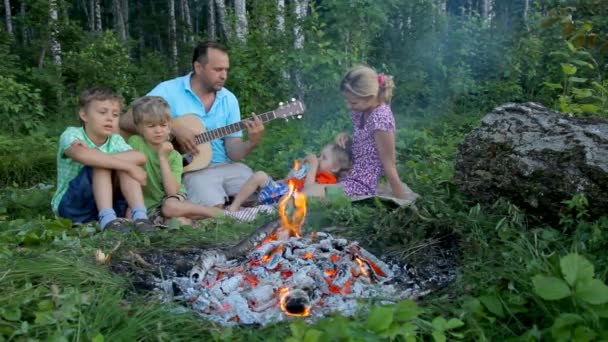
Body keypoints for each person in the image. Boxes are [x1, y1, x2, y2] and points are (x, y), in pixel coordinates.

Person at [120, 41, 264, 208]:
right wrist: (174, 126)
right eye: (217, 69)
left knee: (258, 190)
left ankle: (230, 203)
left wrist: (252, 142)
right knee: (212, 203)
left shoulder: (229, 99)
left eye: (226, 70)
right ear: (198, 67)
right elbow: (126, 119)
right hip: (190, 169)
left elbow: (234, 152)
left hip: (225, 166)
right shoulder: (168, 90)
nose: (224, 75)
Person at [304, 65, 418, 201]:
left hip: (360, 185)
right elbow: (367, 146)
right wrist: (347, 138)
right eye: (347, 101)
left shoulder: (381, 120)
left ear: (370, 97)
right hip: (349, 174)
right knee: (302, 175)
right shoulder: (361, 111)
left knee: (308, 192)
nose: (348, 106)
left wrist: (402, 199)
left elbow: (389, 163)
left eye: (353, 102)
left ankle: (315, 175)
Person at [51, 87, 156, 232]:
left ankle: (139, 217)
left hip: (109, 203)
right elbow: (81, 155)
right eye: (102, 112)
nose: (109, 118)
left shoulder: (115, 140)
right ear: (84, 115)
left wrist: (97, 156)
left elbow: (140, 156)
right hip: (73, 206)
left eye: (115, 114)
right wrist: (130, 167)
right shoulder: (72, 134)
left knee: (116, 163)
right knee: (103, 165)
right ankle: (107, 220)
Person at [127, 96, 226, 224]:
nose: (158, 130)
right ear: (139, 127)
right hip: (149, 206)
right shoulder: (135, 142)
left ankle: (212, 212)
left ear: (169, 127)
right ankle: (194, 219)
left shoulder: (174, 156)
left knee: (170, 207)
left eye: (163, 125)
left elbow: (172, 192)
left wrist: (163, 158)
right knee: (178, 222)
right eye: (151, 126)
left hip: (173, 199)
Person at [227, 142, 352, 211]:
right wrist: (297, 169)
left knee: (285, 201)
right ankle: (235, 206)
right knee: (260, 175)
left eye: (324, 158)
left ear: (335, 167)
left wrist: (313, 166)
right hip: (278, 189)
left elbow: (308, 188)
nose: (318, 160)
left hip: (285, 201)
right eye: (320, 156)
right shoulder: (312, 170)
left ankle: (257, 211)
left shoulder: (327, 180)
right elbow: (287, 180)